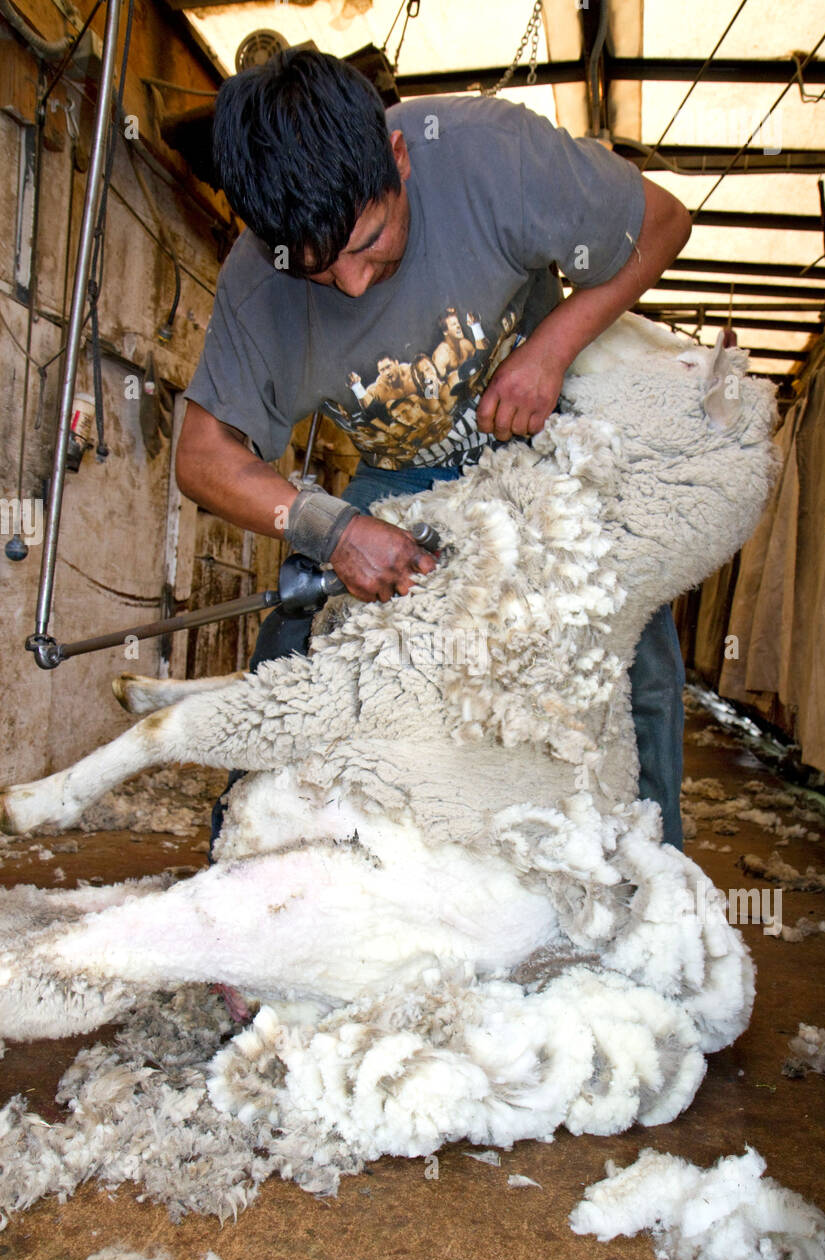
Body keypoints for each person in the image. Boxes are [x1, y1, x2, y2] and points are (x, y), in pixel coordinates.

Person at [177, 49, 691, 848]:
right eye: (320, 269)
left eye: (371, 240)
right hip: (402, 472)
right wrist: (332, 527)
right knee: (301, 633)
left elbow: (663, 221)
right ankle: (244, 859)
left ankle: (656, 882)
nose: (352, 284)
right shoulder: (259, 279)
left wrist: (550, 350)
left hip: (545, 444)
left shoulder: (491, 154)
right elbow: (203, 457)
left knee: (637, 654)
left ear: (399, 157)